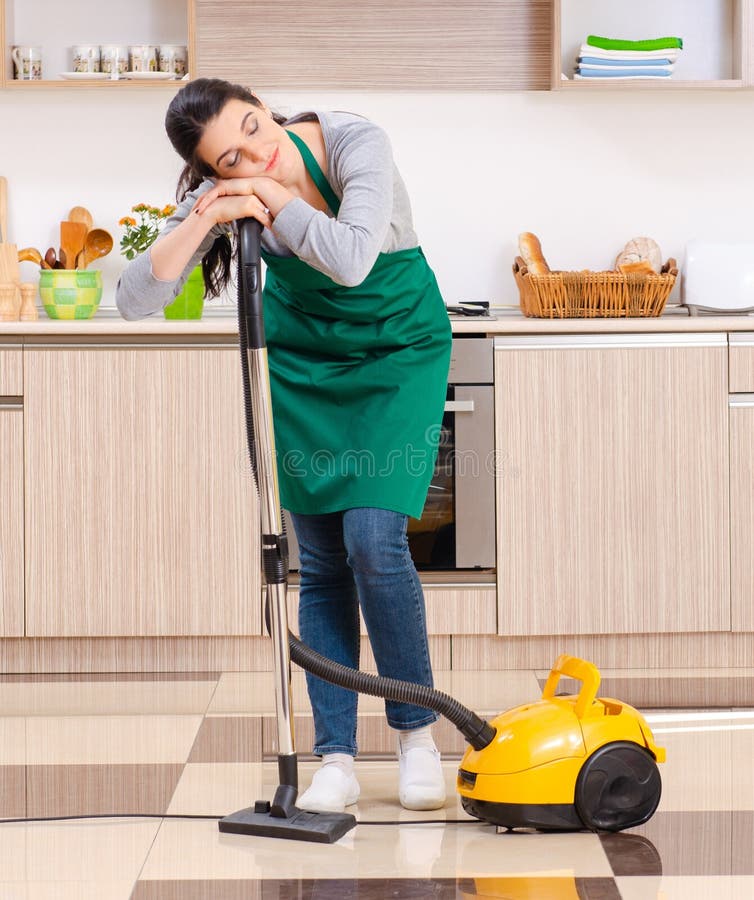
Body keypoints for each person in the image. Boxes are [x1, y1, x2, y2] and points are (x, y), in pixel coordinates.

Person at [116, 78, 452, 813]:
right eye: (230, 159)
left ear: (262, 106)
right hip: (303, 370)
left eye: (252, 126)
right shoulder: (225, 189)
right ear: (211, 169)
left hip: (397, 354)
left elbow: (353, 258)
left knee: (375, 541)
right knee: (322, 562)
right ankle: (336, 756)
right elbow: (135, 298)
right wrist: (206, 213)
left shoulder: (354, 141)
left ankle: (416, 737)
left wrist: (269, 197)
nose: (255, 152)